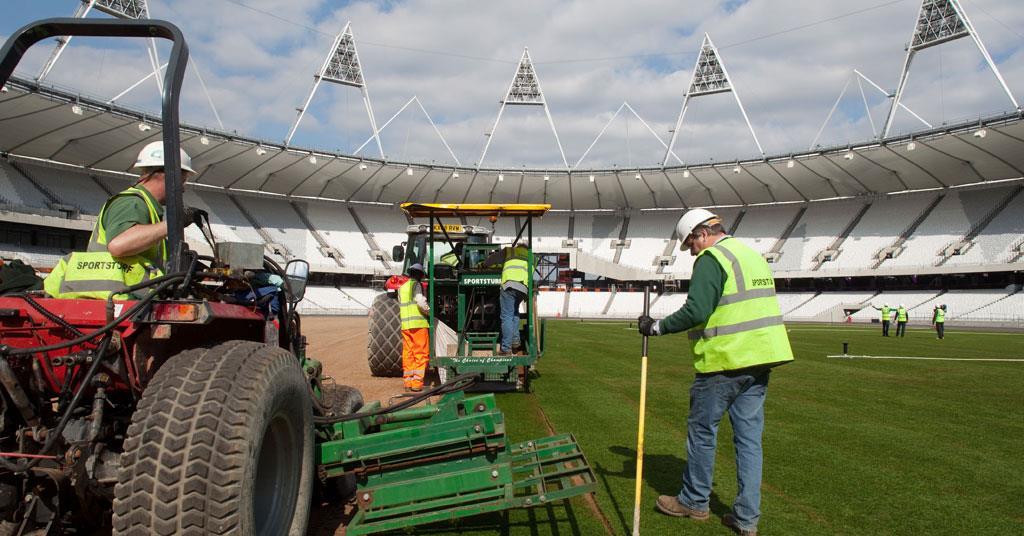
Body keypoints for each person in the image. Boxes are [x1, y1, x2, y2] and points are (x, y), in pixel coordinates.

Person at [638, 208, 793, 536]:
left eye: (690, 244)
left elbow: (697, 310)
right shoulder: (751, 255)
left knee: (702, 432)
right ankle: (747, 519)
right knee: (749, 441)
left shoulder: (711, 258)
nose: (691, 251)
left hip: (724, 361)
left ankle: (694, 501)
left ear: (701, 234)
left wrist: (657, 327)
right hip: (761, 359)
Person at [43, 141, 198, 299]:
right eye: (182, 180)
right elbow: (118, 245)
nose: (183, 188)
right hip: (110, 303)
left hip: (121, 300)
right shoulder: (131, 203)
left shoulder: (148, 208)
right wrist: (174, 223)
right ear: (166, 175)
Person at [399, 263, 431, 392]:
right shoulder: (416, 285)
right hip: (418, 325)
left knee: (408, 353)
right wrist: (429, 311)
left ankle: (408, 382)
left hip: (406, 326)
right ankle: (417, 384)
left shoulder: (402, 287)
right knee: (421, 353)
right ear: (419, 274)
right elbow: (420, 301)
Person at [499, 244, 530, 355]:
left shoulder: (510, 251)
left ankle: (506, 348)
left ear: (517, 247)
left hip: (509, 285)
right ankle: (515, 341)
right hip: (523, 289)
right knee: (514, 313)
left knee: (506, 316)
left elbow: (492, 260)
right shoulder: (531, 255)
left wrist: (483, 264)